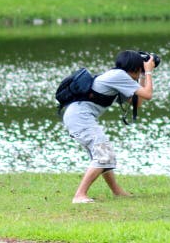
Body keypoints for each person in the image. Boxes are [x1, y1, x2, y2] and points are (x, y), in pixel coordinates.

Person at [62, 50, 155, 204]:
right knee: (104, 155)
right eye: (140, 69)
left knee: (102, 155)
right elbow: (148, 94)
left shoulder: (118, 77)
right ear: (136, 67)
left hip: (78, 117)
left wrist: (144, 76)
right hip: (80, 118)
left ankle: (117, 191)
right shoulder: (119, 76)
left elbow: (137, 102)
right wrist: (149, 72)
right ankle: (79, 195)